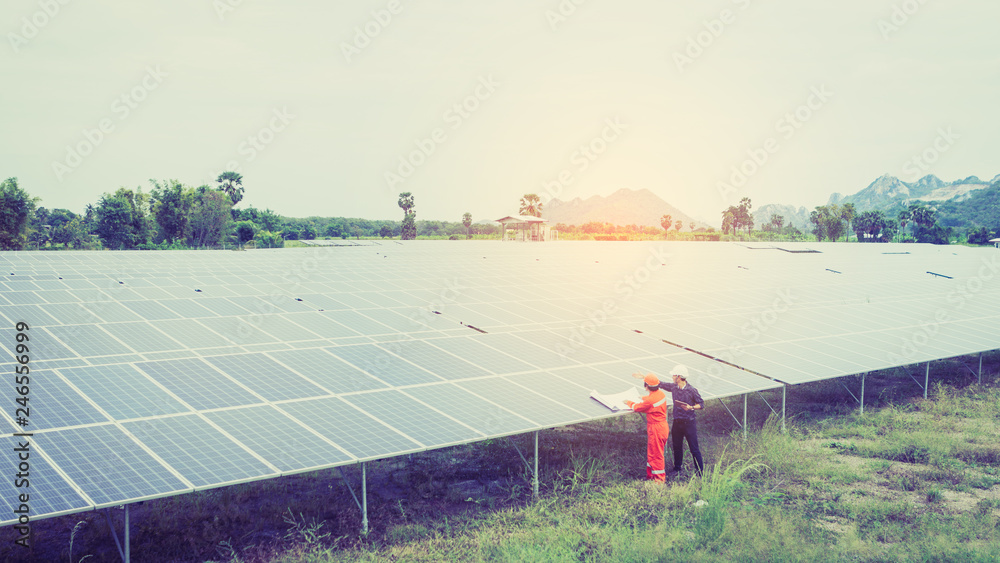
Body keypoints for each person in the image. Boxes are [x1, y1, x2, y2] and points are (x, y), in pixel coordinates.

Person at [633, 364, 705, 476]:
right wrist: (644, 377)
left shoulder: (692, 390)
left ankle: (700, 473)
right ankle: (677, 469)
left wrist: (691, 407)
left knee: (694, 448)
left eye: (673, 376)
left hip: (689, 423)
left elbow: (701, 404)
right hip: (677, 423)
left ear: (679, 377)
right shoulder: (673, 387)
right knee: (677, 446)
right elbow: (659, 383)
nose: (672, 377)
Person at [623, 373, 670, 482]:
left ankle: (659, 481)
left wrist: (628, 402)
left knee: (656, 455)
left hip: (656, 429)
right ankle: (650, 476)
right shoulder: (661, 394)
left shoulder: (650, 401)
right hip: (661, 427)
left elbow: (637, 407)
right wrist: (642, 397)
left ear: (647, 386)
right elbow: (651, 399)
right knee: (652, 453)